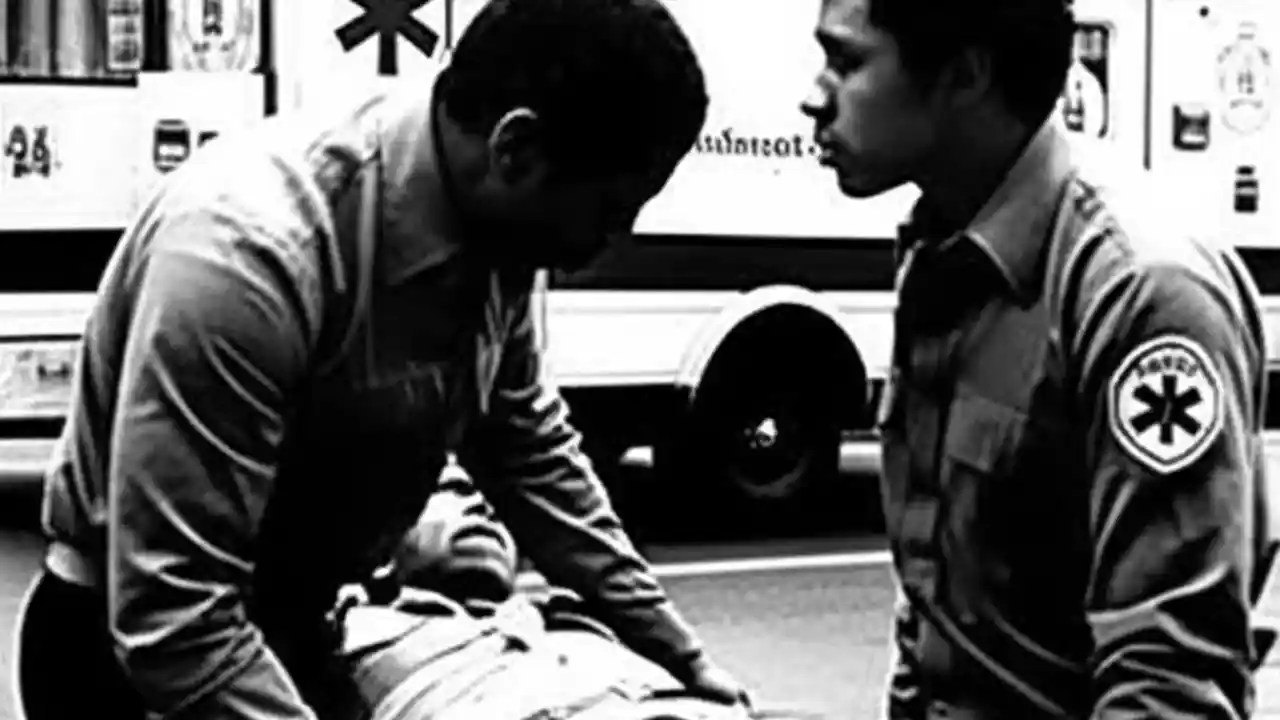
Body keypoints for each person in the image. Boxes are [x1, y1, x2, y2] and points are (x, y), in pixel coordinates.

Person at [14, 0, 748, 718]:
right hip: (125, 672)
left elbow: (529, 451)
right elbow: (176, 625)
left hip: (289, 628)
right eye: (611, 208)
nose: (611, 241)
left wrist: (680, 656)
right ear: (514, 149)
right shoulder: (248, 257)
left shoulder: (499, 237)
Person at [800, 0, 1275, 718]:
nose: (813, 96)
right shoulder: (942, 249)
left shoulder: (1142, 292)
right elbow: (936, 622)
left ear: (965, 75)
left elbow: (1167, 677)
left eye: (847, 61)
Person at [330, 461, 774, 720]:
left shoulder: (573, 621)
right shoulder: (357, 632)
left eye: (486, 497)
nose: (481, 506)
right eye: (452, 491)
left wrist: (689, 661)